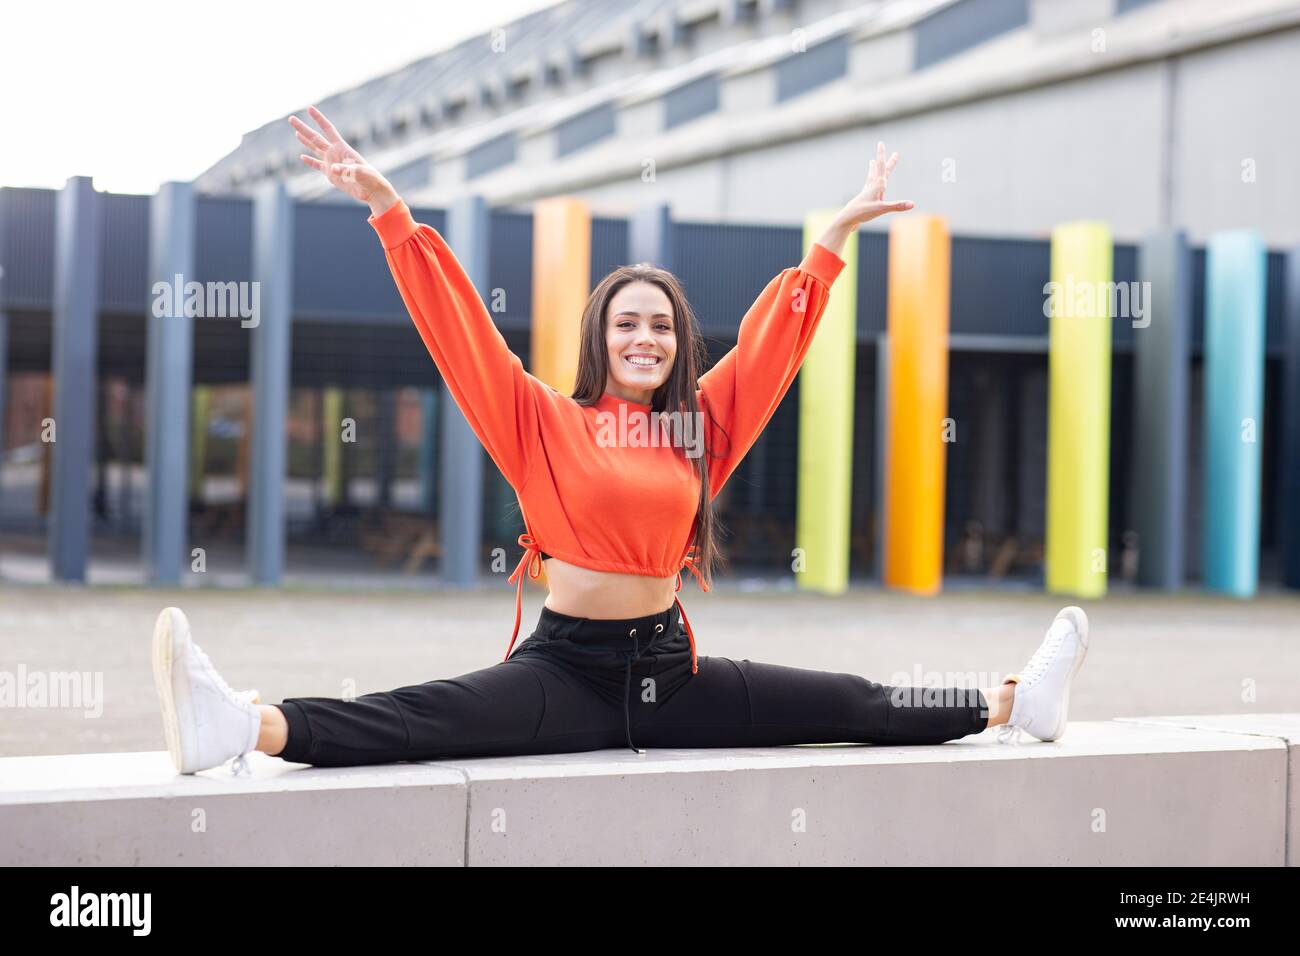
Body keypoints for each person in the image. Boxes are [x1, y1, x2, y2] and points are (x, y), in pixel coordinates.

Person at [151, 107, 1089, 775]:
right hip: (566, 669)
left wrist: (831, 241)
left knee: (852, 701)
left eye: (665, 326)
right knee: (418, 718)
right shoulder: (537, 419)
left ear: (681, 344)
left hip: (672, 675)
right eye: (627, 322)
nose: (646, 338)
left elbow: (773, 347)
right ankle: (240, 727)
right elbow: (460, 330)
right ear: (600, 334)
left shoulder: (699, 428)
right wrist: (392, 213)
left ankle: (1013, 703)